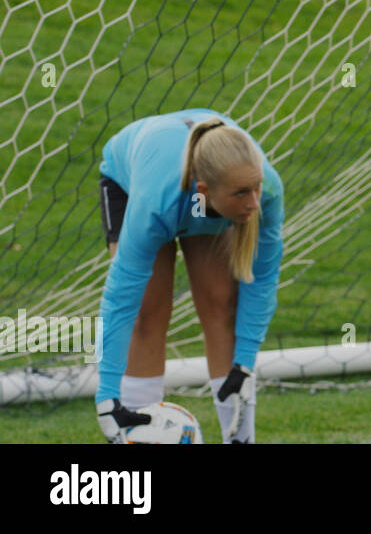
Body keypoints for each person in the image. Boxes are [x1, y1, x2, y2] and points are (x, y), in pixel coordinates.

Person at [94, 110, 283, 444]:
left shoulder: (264, 189)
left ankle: (240, 439)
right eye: (242, 193)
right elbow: (121, 299)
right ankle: (141, 436)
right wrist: (107, 396)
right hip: (138, 182)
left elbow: (262, 280)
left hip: (198, 190)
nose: (254, 203)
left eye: (255, 189)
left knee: (222, 304)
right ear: (205, 190)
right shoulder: (156, 203)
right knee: (146, 313)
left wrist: (244, 365)